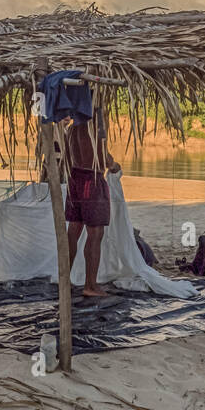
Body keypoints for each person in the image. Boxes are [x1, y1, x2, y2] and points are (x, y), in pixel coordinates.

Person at [63, 100, 121, 297]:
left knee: (73, 230)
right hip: (91, 180)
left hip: (74, 178)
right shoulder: (95, 124)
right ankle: (90, 285)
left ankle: (64, 279)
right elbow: (101, 156)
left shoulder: (72, 128)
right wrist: (113, 165)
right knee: (95, 234)